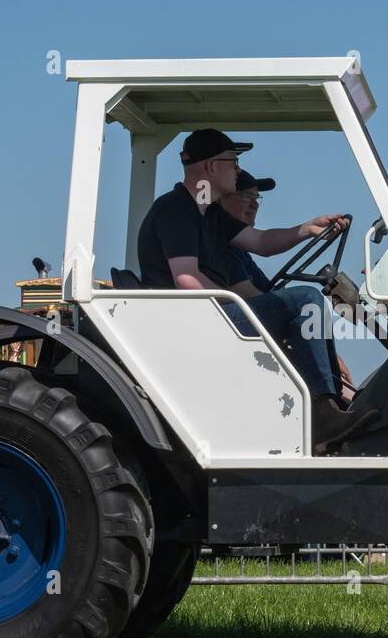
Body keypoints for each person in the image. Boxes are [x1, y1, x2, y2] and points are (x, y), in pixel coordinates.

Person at [135, 129, 374, 452]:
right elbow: (187, 279)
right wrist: (235, 302)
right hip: (196, 323)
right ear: (210, 168)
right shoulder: (176, 210)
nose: (237, 169)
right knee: (305, 299)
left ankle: (330, 405)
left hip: (206, 316)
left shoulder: (210, 212)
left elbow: (262, 242)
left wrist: (307, 228)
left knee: (300, 304)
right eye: (232, 162)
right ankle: (322, 418)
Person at [219, 169, 357, 404]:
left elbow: (269, 293)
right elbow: (249, 296)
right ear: (222, 199)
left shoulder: (242, 253)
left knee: (305, 307)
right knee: (306, 299)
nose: (254, 205)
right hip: (228, 330)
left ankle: (337, 396)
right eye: (245, 197)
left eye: (257, 199)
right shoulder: (221, 247)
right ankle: (325, 404)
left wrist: (329, 355)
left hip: (238, 327)